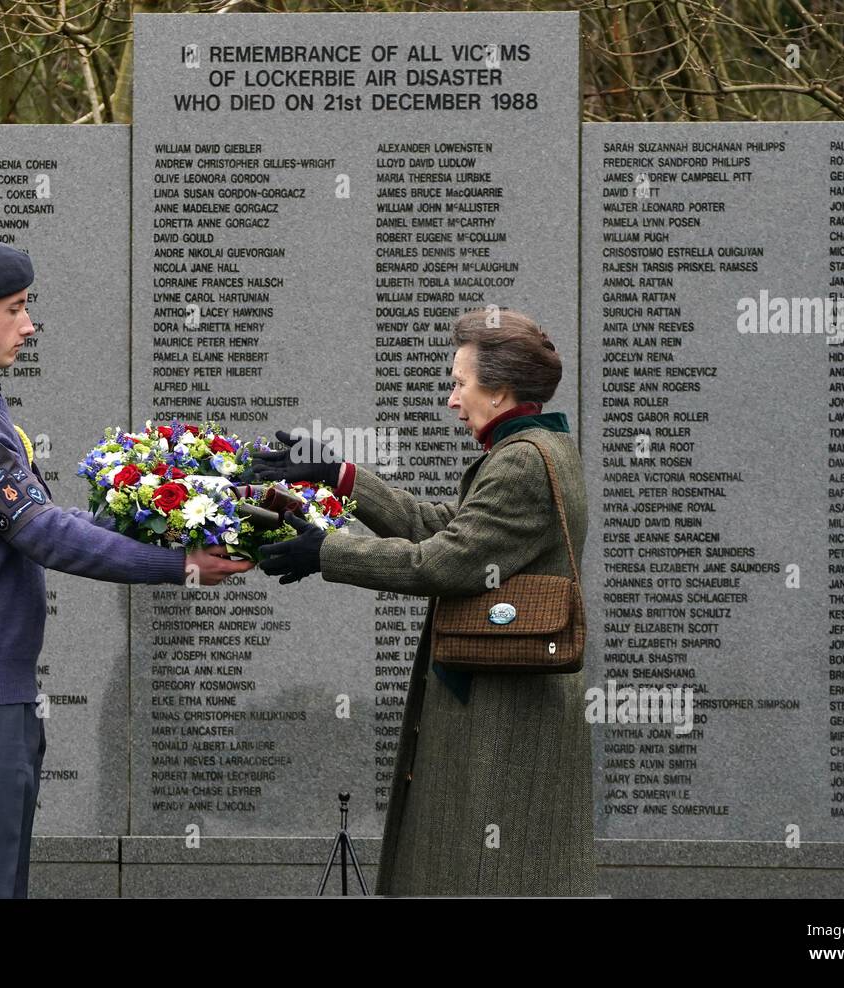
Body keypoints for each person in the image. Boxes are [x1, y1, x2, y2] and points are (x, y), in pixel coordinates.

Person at [0, 237, 251, 898]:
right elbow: (42, 532)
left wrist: (181, 523)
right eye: (16, 308)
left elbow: (47, 516)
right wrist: (180, 566)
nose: (30, 325)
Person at [254, 308, 594, 896]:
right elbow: (447, 526)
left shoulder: (522, 461)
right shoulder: (536, 447)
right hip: (497, 698)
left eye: (460, 382)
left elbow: (447, 561)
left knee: (485, 876)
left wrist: (328, 554)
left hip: (502, 715)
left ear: (501, 388)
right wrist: (340, 475)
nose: (451, 399)